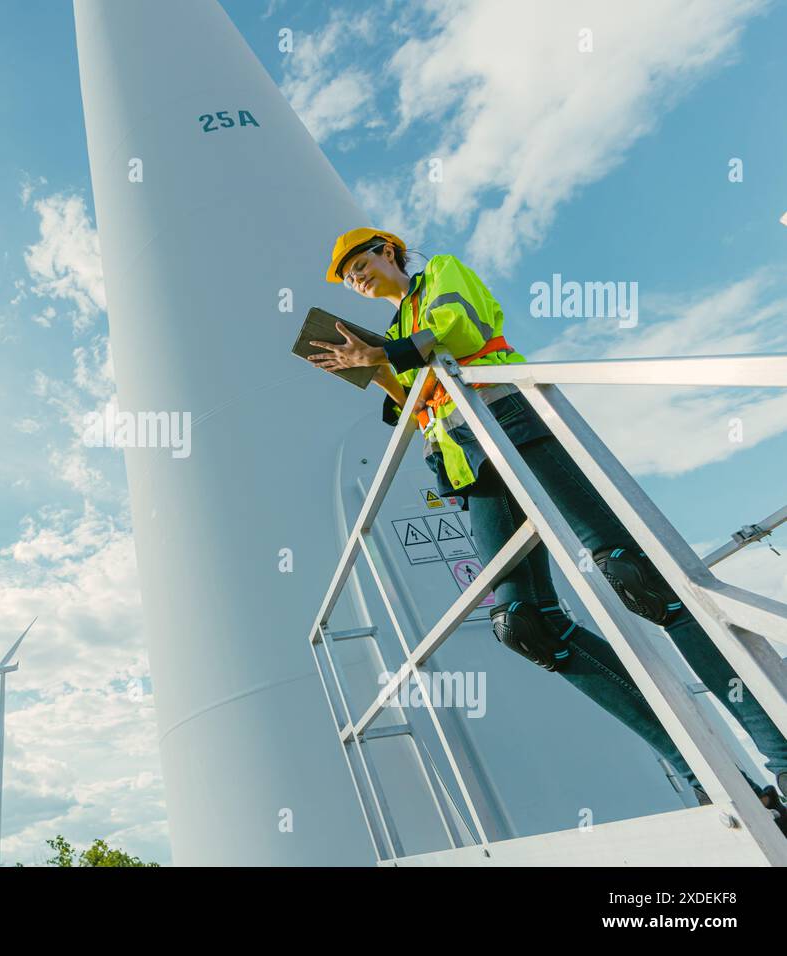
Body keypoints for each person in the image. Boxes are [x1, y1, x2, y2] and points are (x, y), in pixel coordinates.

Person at [307, 226, 787, 824]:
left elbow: (462, 331)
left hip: (510, 417)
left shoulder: (440, 277)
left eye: (358, 262)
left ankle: (781, 755)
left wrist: (384, 354)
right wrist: (367, 364)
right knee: (524, 624)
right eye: (347, 276)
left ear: (388, 252)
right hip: (468, 461)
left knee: (635, 576)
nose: (355, 277)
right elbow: (412, 391)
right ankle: (715, 776)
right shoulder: (396, 332)